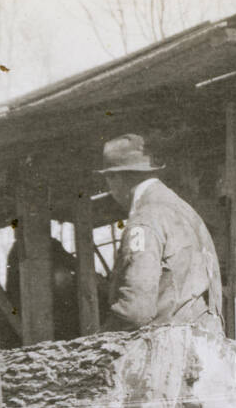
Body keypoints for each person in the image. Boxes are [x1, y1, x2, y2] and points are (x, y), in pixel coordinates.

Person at [94, 133, 223, 333]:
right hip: (206, 341)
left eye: (108, 181)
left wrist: (96, 341)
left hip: (168, 349)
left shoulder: (145, 219)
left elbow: (135, 310)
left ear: (115, 177)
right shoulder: (185, 211)